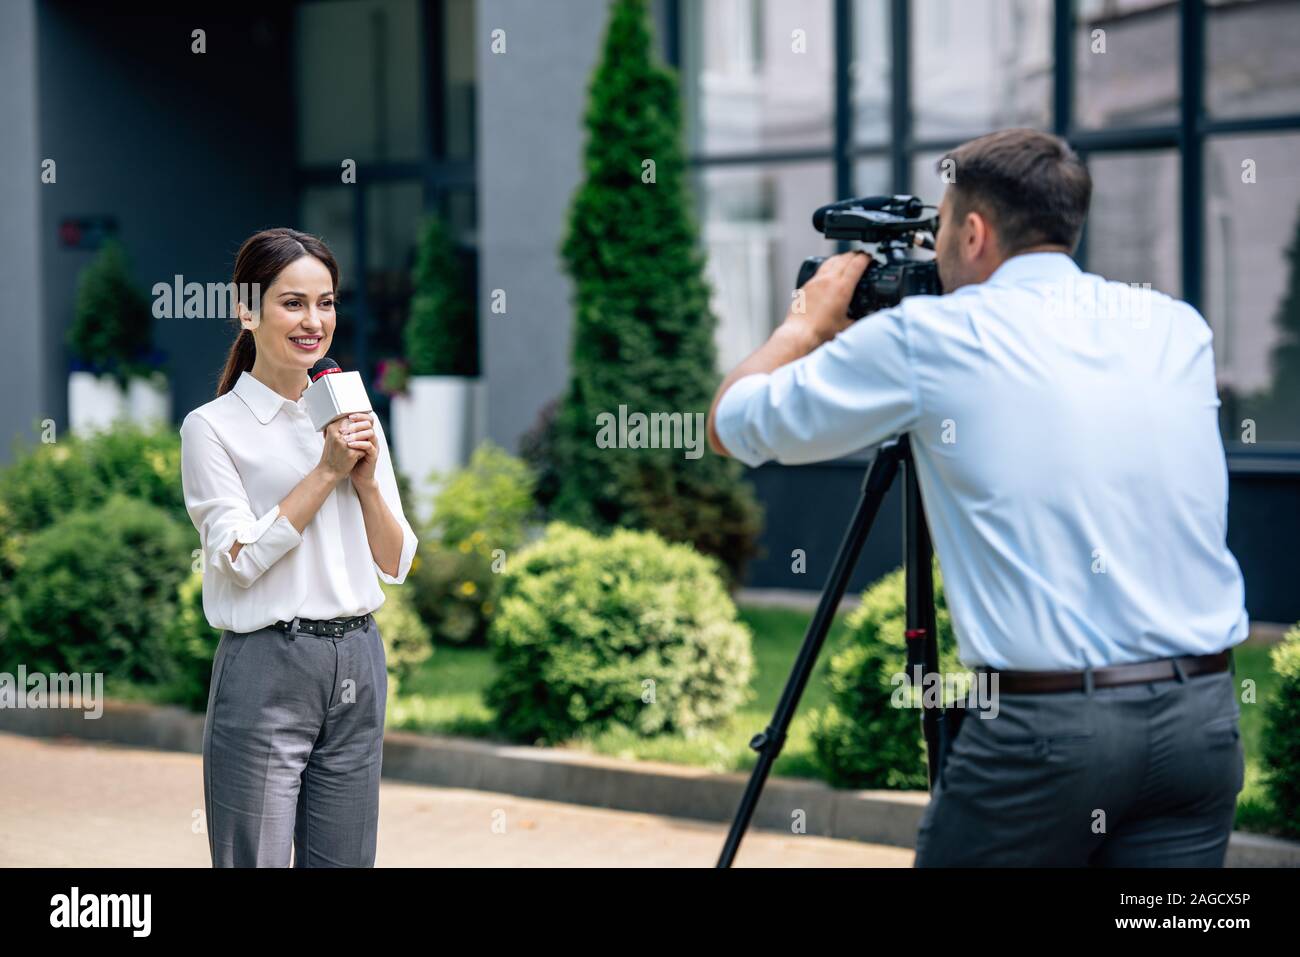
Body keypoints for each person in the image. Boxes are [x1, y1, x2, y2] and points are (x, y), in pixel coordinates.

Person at [707, 128, 1248, 867]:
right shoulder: (1174, 327)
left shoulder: (929, 341)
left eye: (939, 230)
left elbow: (733, 424)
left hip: (1046, 735)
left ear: (974, 230)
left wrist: (803, 324)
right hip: (1202, 722)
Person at [180, 227, 419, 867]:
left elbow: (395, 561)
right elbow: (240, 559)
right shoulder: (212, 429)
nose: (314, 321)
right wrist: (325, 472)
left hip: (358, 661)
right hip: (267, 667)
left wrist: (366, 483)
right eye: (293, 303)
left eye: (327, 302)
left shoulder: (352, 413)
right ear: (247, 309)